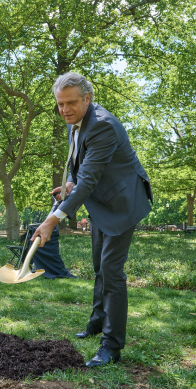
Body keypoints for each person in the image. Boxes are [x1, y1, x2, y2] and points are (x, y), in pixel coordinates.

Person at [32, 72, 152, 367]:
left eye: (71, 102)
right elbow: (80, 169)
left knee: (111, 271)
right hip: (99, 203)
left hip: (123, 202)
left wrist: (52, 220)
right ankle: (98, 320)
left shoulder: (103, 126)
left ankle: (111, 345)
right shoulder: (76, 124)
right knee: (99, 265)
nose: (65, 110)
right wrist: (70, 183)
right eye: (60, 104)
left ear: (88, 98)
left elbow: (88, 181)